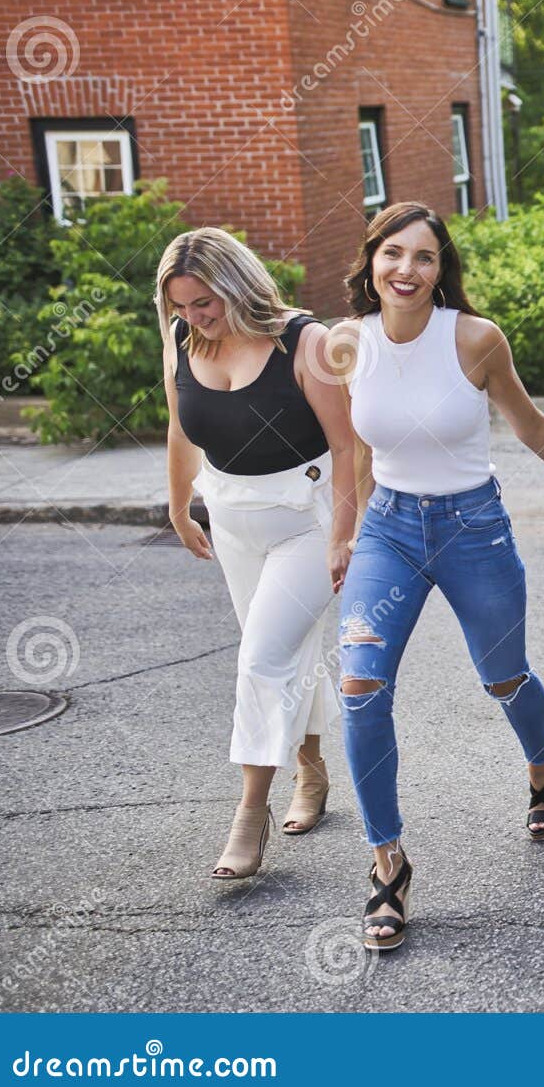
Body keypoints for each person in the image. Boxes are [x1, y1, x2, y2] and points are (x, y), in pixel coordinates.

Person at [335, 202, 544, 950]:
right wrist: (349, 535)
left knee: (504, 676)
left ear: (441, 269)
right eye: (392, 253)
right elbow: (354, 452)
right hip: (388, 529)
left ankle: (543, 768)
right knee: (359, 688)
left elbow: (531, 426)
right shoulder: (345, 345)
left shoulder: (474, 338)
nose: (405, 269)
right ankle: (388, 865)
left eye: (423, 257)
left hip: (472, 526)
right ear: (370, 261)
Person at [158, 227, 356, 880]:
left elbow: (350, 447)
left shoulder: (308, 342)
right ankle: (312, 769)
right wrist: (177, 501)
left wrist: (347, 531)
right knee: (280, 654)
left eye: (204, 304)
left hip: (307, 518)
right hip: (233, 518)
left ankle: (249, 813)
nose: (194, 318)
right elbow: (181, 425)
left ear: (236, 285)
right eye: (181, 307)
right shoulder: (184, 341)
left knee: (260, 657)